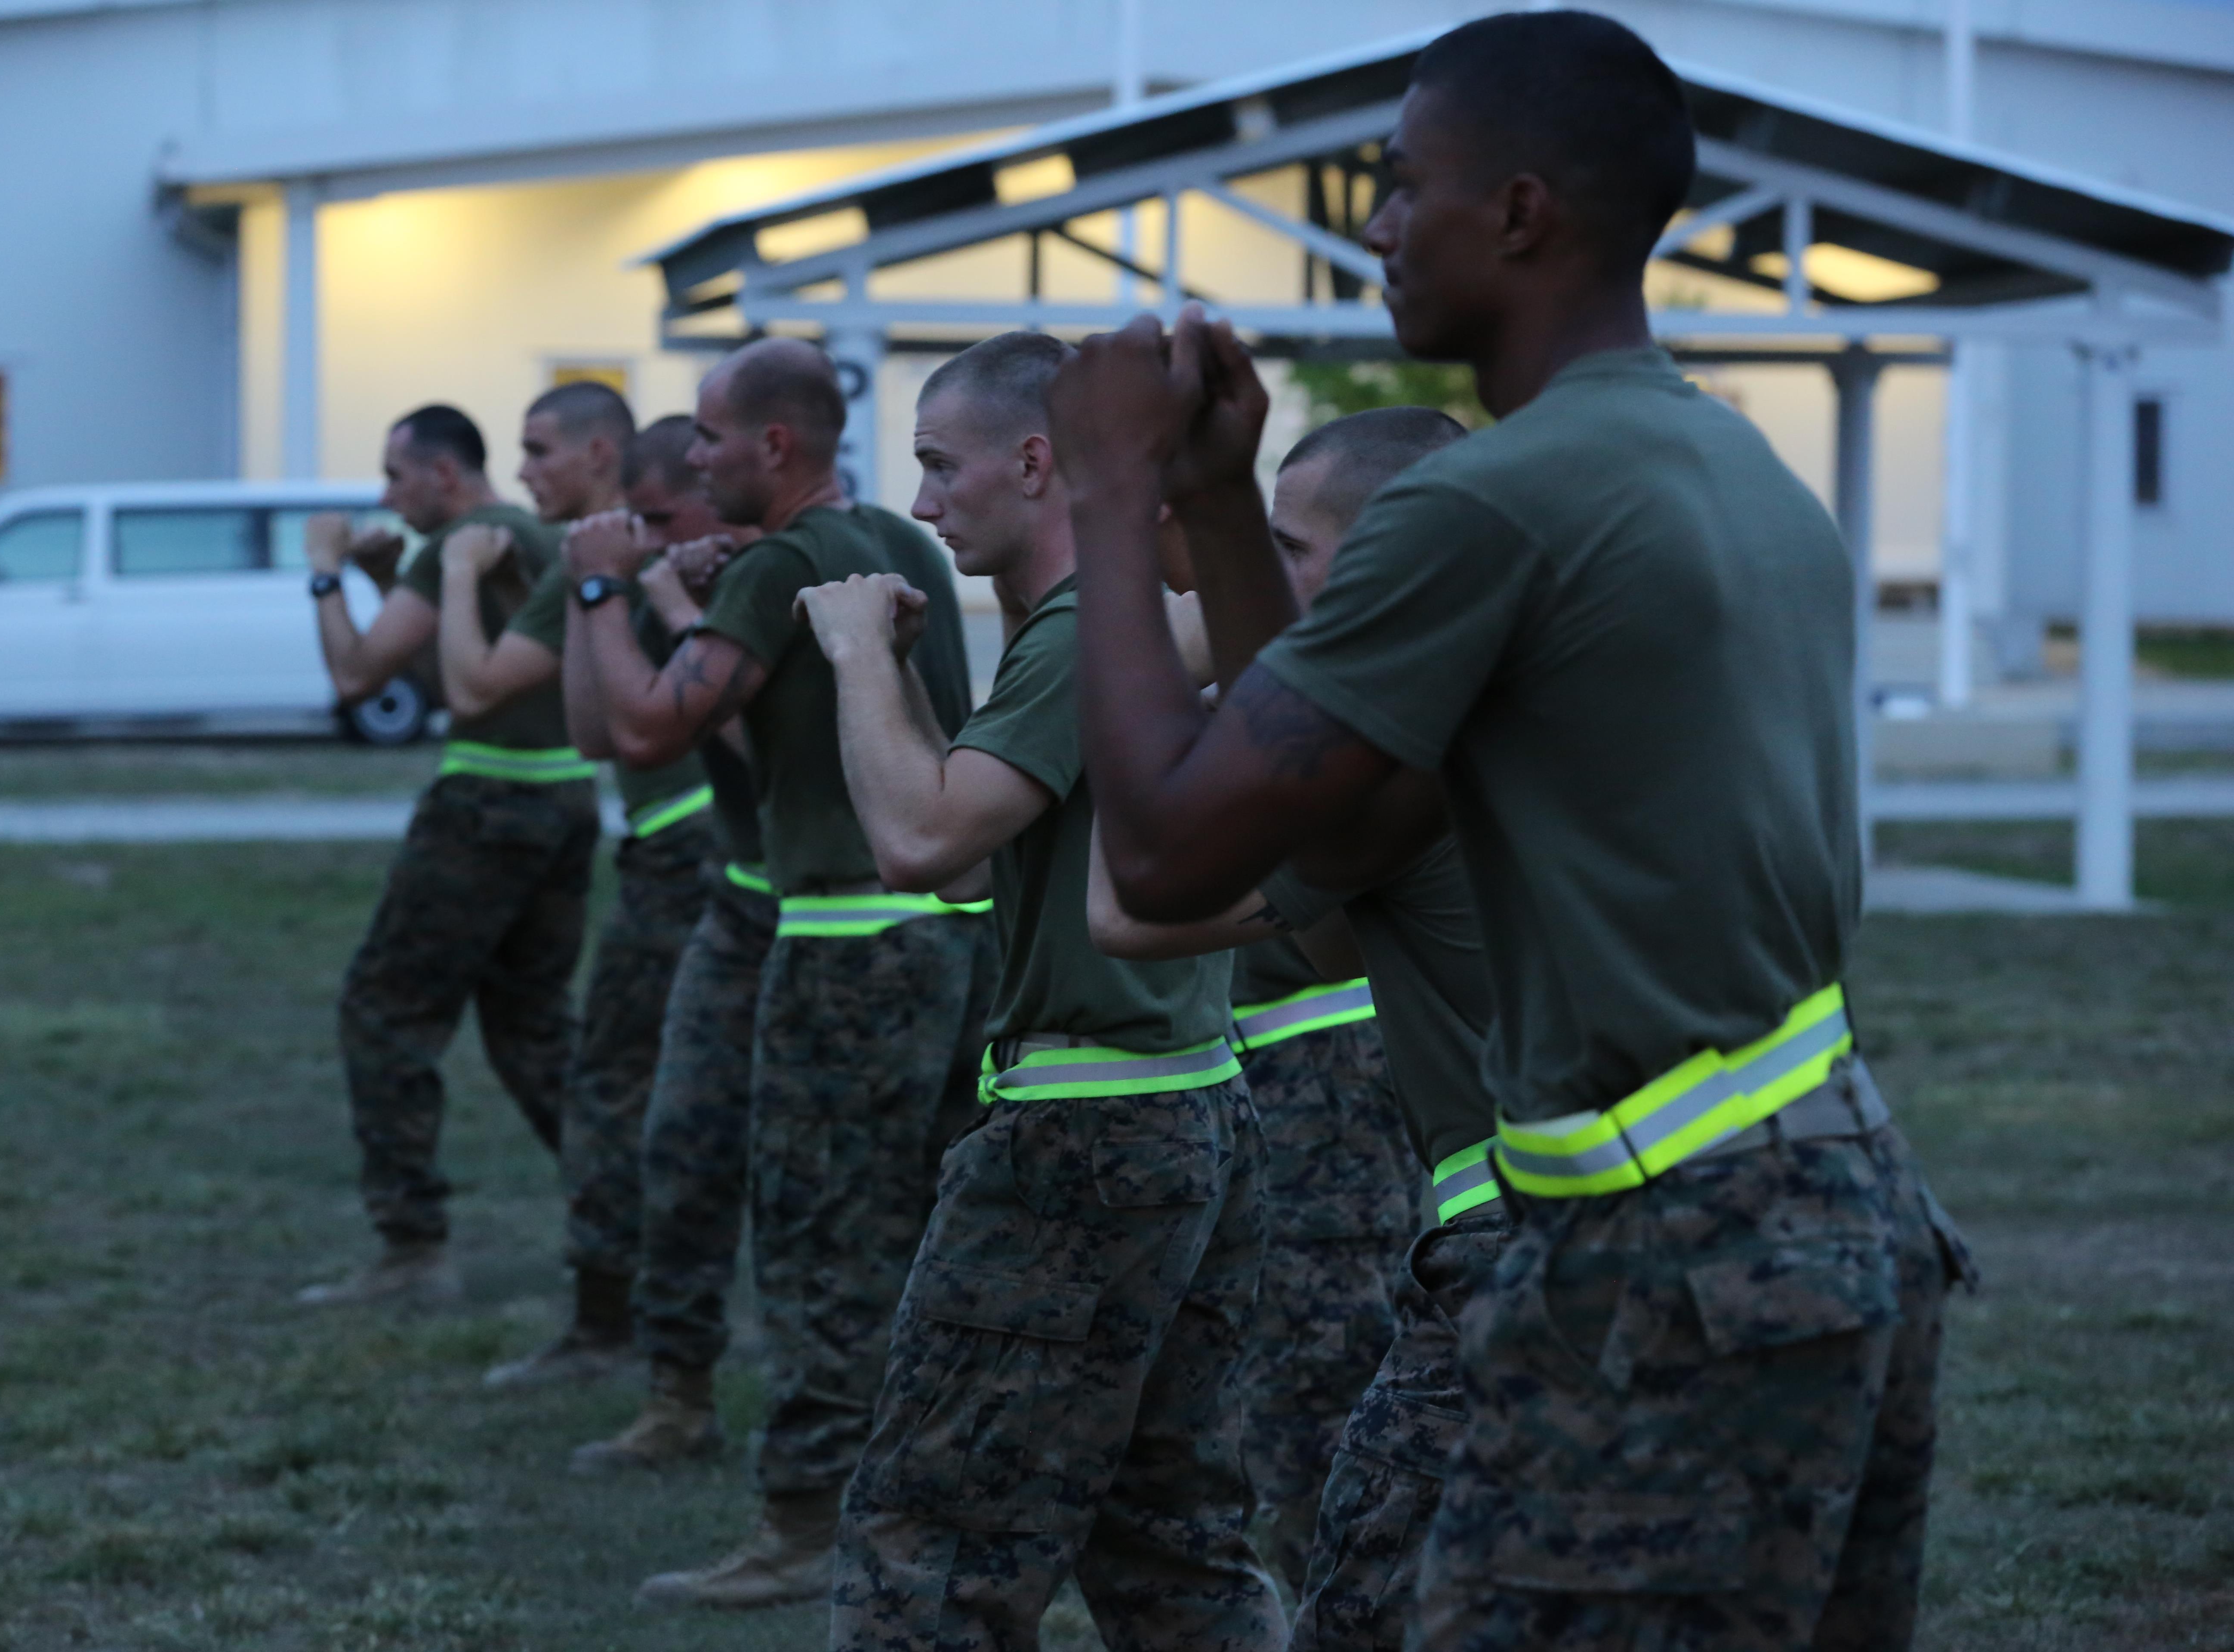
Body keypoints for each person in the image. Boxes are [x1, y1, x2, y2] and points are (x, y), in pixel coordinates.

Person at [1048, 11, 1970, 1649]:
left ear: (1525, 214)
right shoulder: (1720, 460)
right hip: (1823, 1210)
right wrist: (1210, 502)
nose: (1379, 227)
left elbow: (1173, 854)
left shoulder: (1493, 505)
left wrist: (1110, 496)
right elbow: (1337, 846)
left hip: (1665, 1261)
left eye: (1407, 188)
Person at [795, 330, 1282, 1652]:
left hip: (1083, 1138)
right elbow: (981, 863)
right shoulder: (1099, 636)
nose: (923, 502)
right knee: (1169, 1545)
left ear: (1034, 461)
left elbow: (920, 844)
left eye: (940, 467)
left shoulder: (1078, 638)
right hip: (1189, 1116)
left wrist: (852, 652)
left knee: (930, 1545)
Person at [565, 338, 995, 1609]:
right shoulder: (891, 546)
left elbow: (638, 728)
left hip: (844, 949)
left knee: (816, 1247)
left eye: (707, 440)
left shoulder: (784, 560)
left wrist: (604, 590)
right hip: (940, 933)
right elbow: (701, 727)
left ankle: (805, 1527)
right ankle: (918, 1497)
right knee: (906, 1237)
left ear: (774, 447)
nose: (691, 461)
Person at [1084, 407, 1507, 1652]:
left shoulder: (1392, 742)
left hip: (1527, 1233)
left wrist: (1147, 729)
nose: (1259, 578)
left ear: (1397, 561)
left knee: (1363, 1601)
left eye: (1289, 548)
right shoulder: (1528, 687)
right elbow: (1352, 936)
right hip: (1629, 1213)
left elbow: (1128, 910)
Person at [418, 378, 706, 1386]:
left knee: (607, 1084)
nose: (524, 470)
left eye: (539, 450)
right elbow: (592, 734)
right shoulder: (669, 544)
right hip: (731, 848)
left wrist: (458, 575)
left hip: (684, 855)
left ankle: (606, 1330)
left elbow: (473, 687)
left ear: (598, 457)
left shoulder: (601, 549)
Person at [297, 404, 595, 1306]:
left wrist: (323, 577)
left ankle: (413, 1247)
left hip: (483, 807)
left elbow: (355, 678)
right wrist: (398, 583)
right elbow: (464, 682)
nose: (385, 493)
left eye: (396, 475)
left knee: (384, 1010)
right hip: (564, 800)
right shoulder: (535, 536)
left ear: (445, 476)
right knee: (533, 1029)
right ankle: (627, 1213)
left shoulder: (462, 541)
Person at [560, 415, 778, 1470]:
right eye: (636, 522)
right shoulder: (683, 583)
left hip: (838, 918)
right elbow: (597, 733)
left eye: (659, 518)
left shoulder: (779, 574)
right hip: (738, 905)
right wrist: (590, 591)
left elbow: (752, 746)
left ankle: (829, 1448)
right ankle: (677, 1394)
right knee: (681, 1149)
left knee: (818, 1196)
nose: (648, 537)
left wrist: (660, 598)